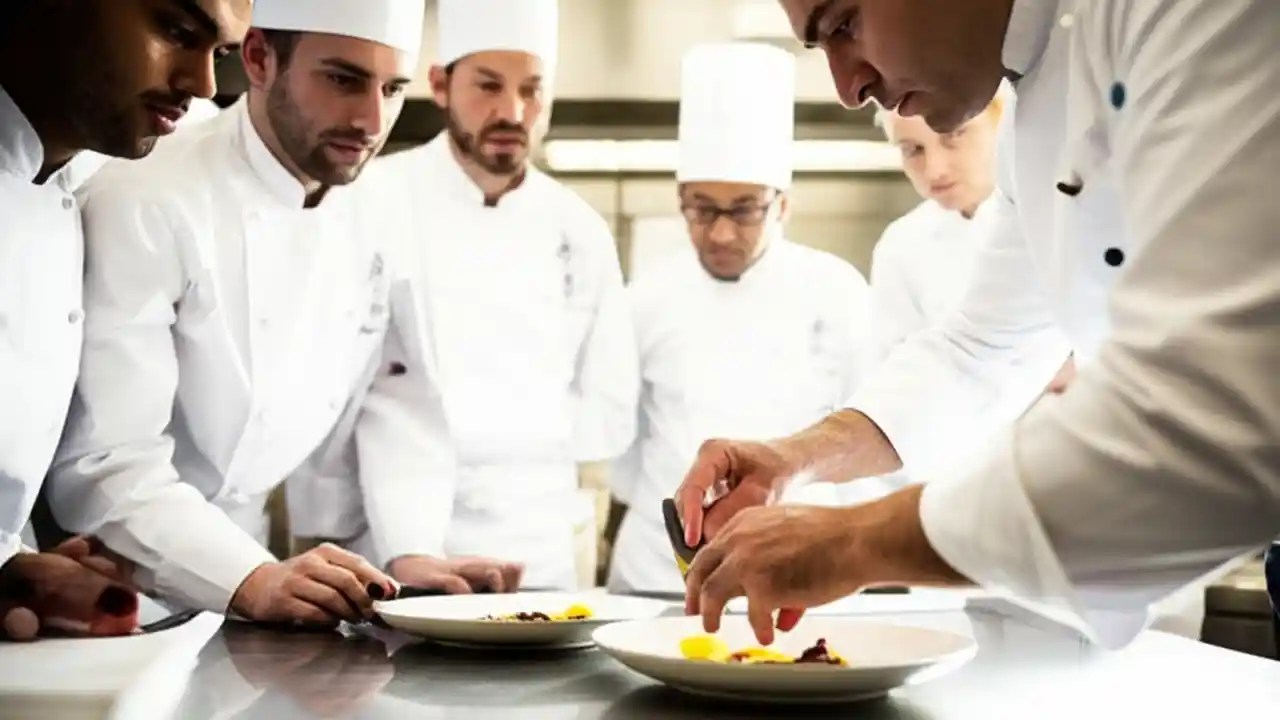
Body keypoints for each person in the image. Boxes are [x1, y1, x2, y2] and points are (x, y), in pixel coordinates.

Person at [676, 0, 1279, 649]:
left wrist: (850, 543)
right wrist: (794, 459)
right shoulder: (1034, 113)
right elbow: (984, 348)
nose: (851, 89)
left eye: (844, 24)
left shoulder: (1184, 12)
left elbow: (1220, 411)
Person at [45, 0, 507, 627]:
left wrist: (410, 550)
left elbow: (393, 393)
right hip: (121, 575)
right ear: (259, 58)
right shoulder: (148, 193)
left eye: (393, 88)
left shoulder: (381, 210)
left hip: (259, 575)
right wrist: (248, 578)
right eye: (343, 80)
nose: (372, 120)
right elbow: (107, 461)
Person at [348, 0, 638, 591]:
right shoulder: (372, 200)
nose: (512, 111)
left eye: (533, 90)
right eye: (488, 86)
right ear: (439, 83)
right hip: (398, 537)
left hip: (537, 540)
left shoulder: (578, 227)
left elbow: (608, 399)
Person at [0, 0, 248, 641]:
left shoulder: (68, 181)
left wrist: (12, 568)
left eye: (217, 52)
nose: (203, 86)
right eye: (174, 30)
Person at [606, 42, 872, 595]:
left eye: (745, 209)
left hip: (800, 569)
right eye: (702, 209)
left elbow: (868, 435)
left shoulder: (838, 291)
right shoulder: (644, 298)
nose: (721, 232)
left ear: (782, 204)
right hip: (659, 574)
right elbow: (622, 451)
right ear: (681, 199)